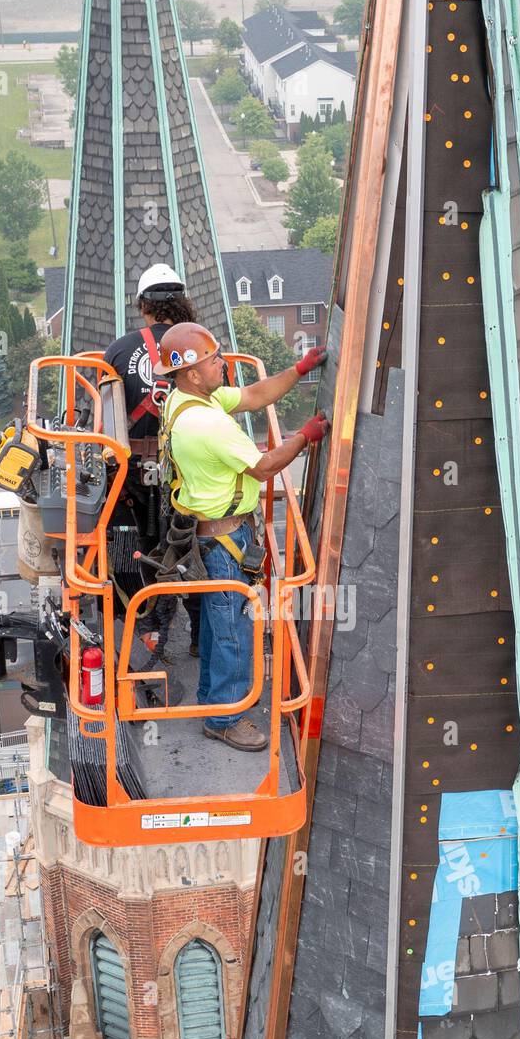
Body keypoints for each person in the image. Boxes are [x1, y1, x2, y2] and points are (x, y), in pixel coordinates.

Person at [155, 321, 329, 752]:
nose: (222, 363)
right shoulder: (206, 426)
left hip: (216, 536)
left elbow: (253, 396)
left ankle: (212, 701)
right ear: (193, 372)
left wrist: (298, 370)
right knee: (234, 631)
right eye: (214, 360)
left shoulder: (188, 398)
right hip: (222, 543)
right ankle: (224, 718)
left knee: (219, 628)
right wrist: (304, 438)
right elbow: (265, 466)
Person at [103, 264, 200, 660]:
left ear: (144, 306)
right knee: (191, 547)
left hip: (131, 476)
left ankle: (141, 625)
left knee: (130, 545)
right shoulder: (203, 348)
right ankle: (196, 633)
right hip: (189, 472)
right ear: (182, 306)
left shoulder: (120, 350)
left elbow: (103, 421)